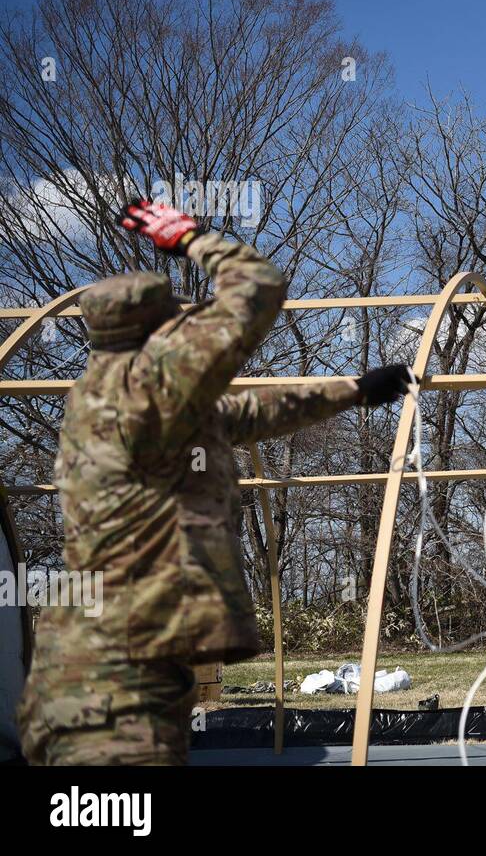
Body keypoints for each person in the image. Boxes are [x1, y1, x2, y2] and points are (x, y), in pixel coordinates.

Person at [19, 200, 414, 765]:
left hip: (97, 653)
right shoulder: (148, 385)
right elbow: (257, 285)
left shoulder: (114, 398)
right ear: (160, 339)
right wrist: (191, 237)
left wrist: (354, 390)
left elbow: (246, 414)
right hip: (122, 670)